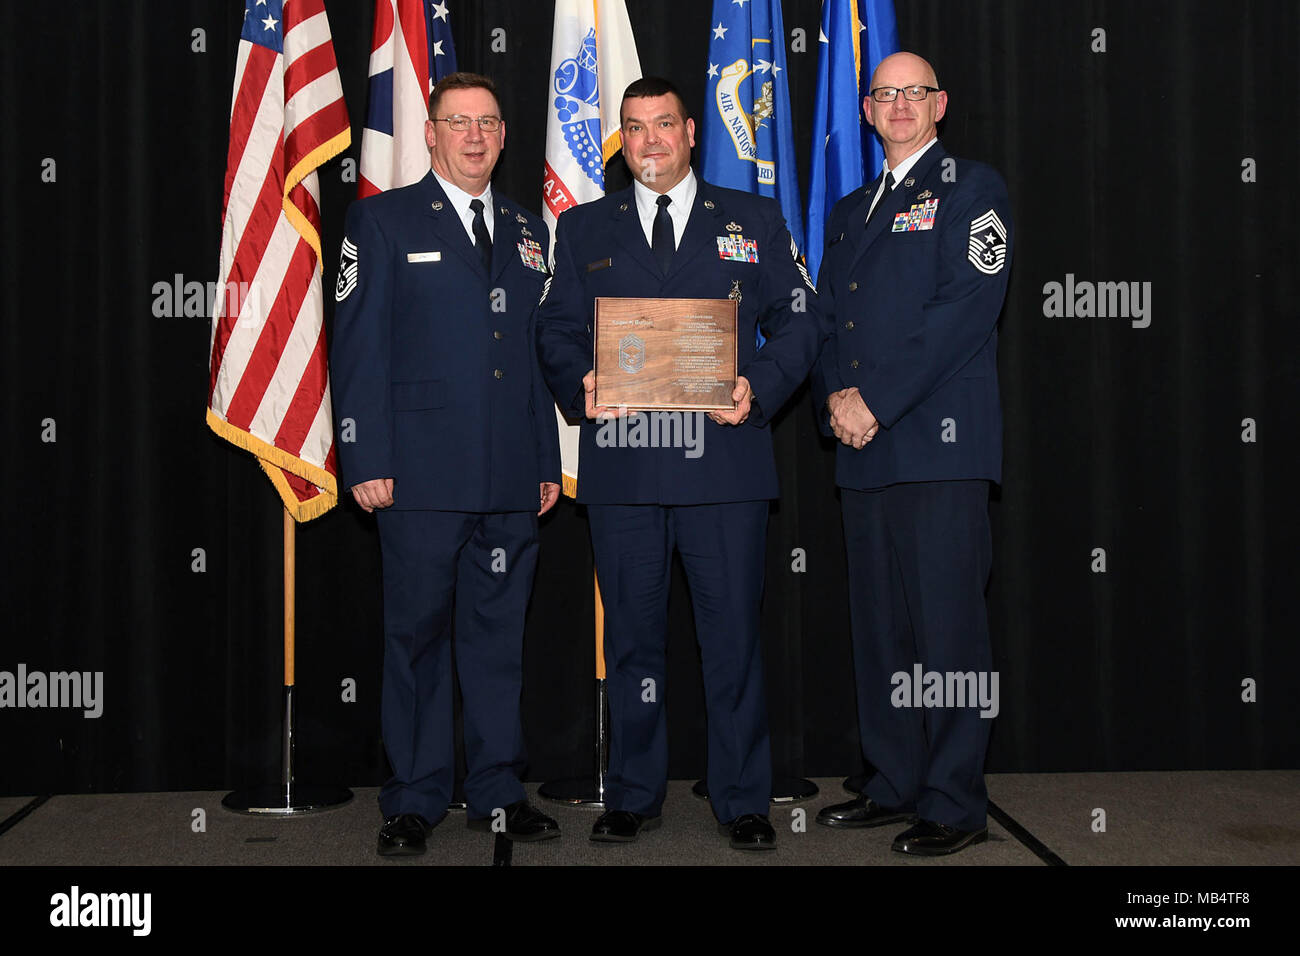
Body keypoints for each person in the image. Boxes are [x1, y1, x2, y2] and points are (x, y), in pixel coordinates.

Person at [537, 77, 828, 851]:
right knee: (632, 641)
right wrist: (581, 381)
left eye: (664, 125)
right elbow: (555, 330)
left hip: (723, 465)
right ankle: (632, 793)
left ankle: (742, 799)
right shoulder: (584, 227)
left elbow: (802, 319)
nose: (651, 142)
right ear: (621, 142)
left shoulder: (753, 219)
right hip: (626, 472)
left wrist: (758, 385)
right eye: (634, 129)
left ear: (692, 131)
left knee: (732, 636)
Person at [330, 72, 562, 856]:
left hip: (507, 477)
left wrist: (544, 462)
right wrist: (363, 452)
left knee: (498, 641)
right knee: (419, 641)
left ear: (503, 136)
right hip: (418, 476)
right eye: (457, 122)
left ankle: (497, 790)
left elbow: (529, 358)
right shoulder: (381, 221)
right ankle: (415, 798)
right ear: (429, 134)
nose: (473, 136)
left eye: (487, 123)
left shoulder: (530, 232)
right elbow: (357, 350)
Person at [811, 52, 1013, 856]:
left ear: (941, 103)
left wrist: (875, 401)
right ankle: (893, 780)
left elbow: (963, 313)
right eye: (885, 94)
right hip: (861, 449)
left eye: (915, 92)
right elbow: (827, 319)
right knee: (882, 631)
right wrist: (834, 399)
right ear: (866, 111)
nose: (900, 104)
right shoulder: (852, 209)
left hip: (938, 448)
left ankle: (955, 800)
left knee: (948, 634)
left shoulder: (973, 189)